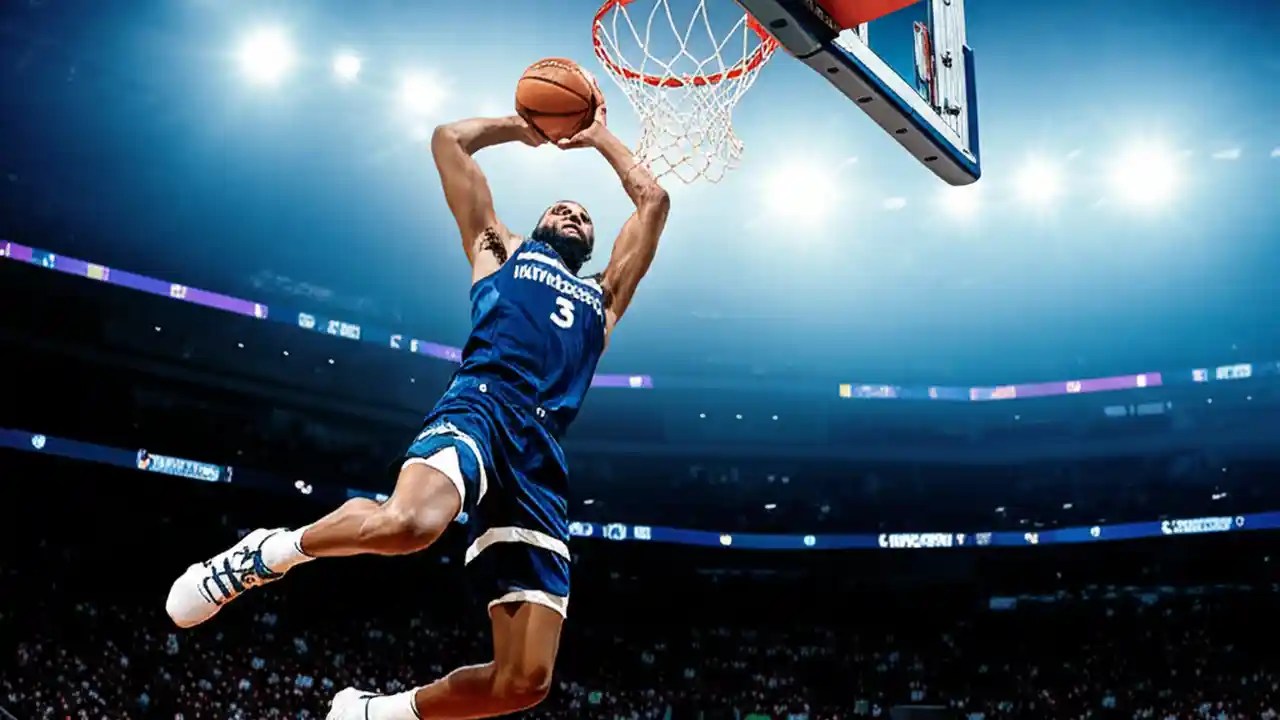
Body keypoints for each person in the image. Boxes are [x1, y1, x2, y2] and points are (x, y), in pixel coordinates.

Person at [164, 91, 670, 720]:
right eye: (560, 207)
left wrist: (597, 137)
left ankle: (377, 713)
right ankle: (269, 553)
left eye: (583, 217)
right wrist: (526, 128)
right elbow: (449, 140)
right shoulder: (500, 249)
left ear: (592, 244)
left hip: (540, 458)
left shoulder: (605, 298)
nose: (572, 214)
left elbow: (653, 202)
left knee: (525, 682)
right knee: (407, 526)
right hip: (482, 406)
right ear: (538, 223)